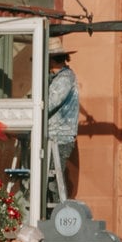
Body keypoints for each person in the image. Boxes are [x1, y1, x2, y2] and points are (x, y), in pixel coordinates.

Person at [43, 48, 78, 203]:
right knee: (51, 179)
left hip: (59, 136)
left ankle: (57, 217)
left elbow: (49, 103)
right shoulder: (59, 77)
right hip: (56, 135)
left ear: (52, 59)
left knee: (54, 181)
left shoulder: (64, 79)